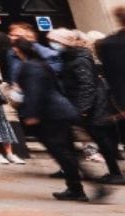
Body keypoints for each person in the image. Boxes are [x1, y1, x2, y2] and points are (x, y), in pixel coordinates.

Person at [16, 36, 110, 203]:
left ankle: (89, 187)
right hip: (60, 111)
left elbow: (34, 91)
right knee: (67, 152)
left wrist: (31, 114)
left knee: (62, 153)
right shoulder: (41, 63)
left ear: (19, 51)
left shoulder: (30, 66)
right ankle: (76, 188)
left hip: (51, 115)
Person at [50, 29, 125, 184]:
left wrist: (83, 109)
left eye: (56, 42)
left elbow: (87, 85)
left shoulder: (79, 59)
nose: (53, 45)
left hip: (94, 105)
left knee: (103, 139)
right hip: (87, 104)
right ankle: (114, 172)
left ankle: (115, 173)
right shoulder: (70, 58)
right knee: (102, 140)